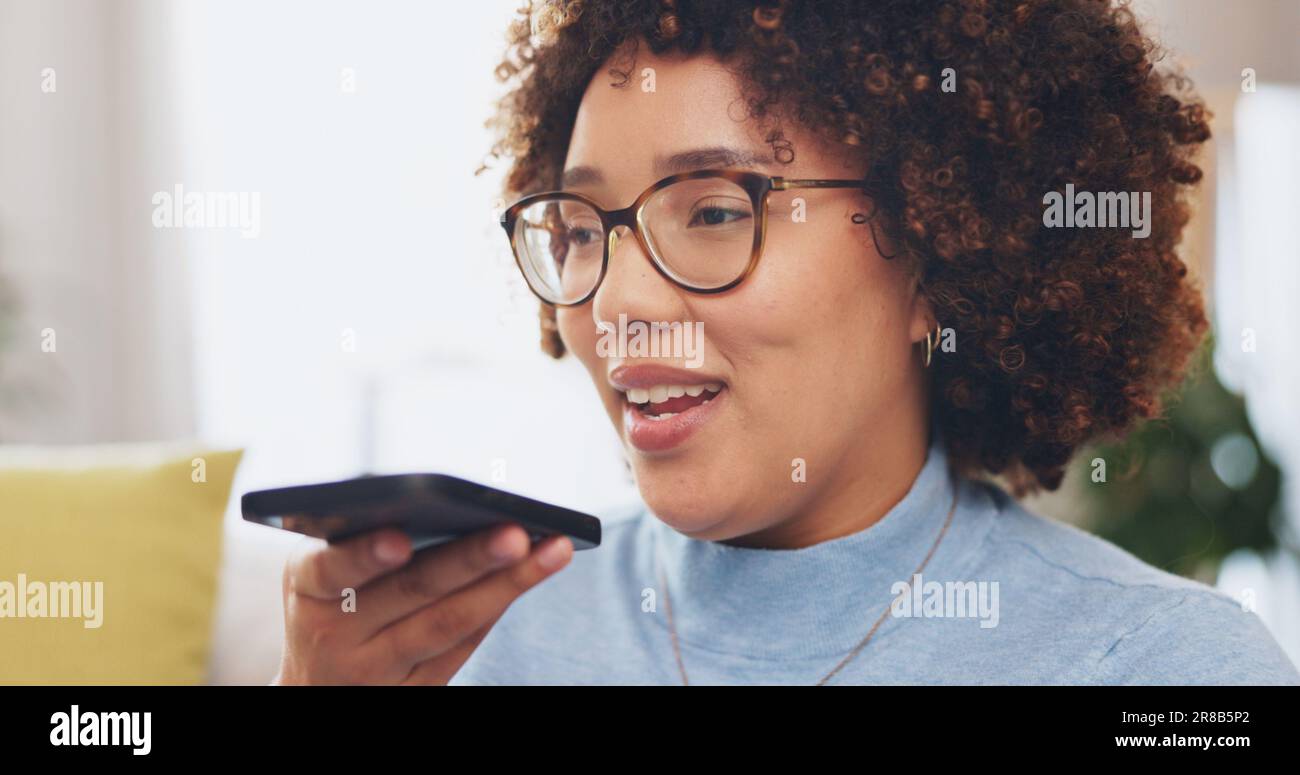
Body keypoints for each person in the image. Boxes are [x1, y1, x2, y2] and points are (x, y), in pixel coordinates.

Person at [273, 0, 1299, 685]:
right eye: (582, 230)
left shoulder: (1162, 667)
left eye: (715, 211)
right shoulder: (482, 627)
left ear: (936, 252)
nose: (620, 301)